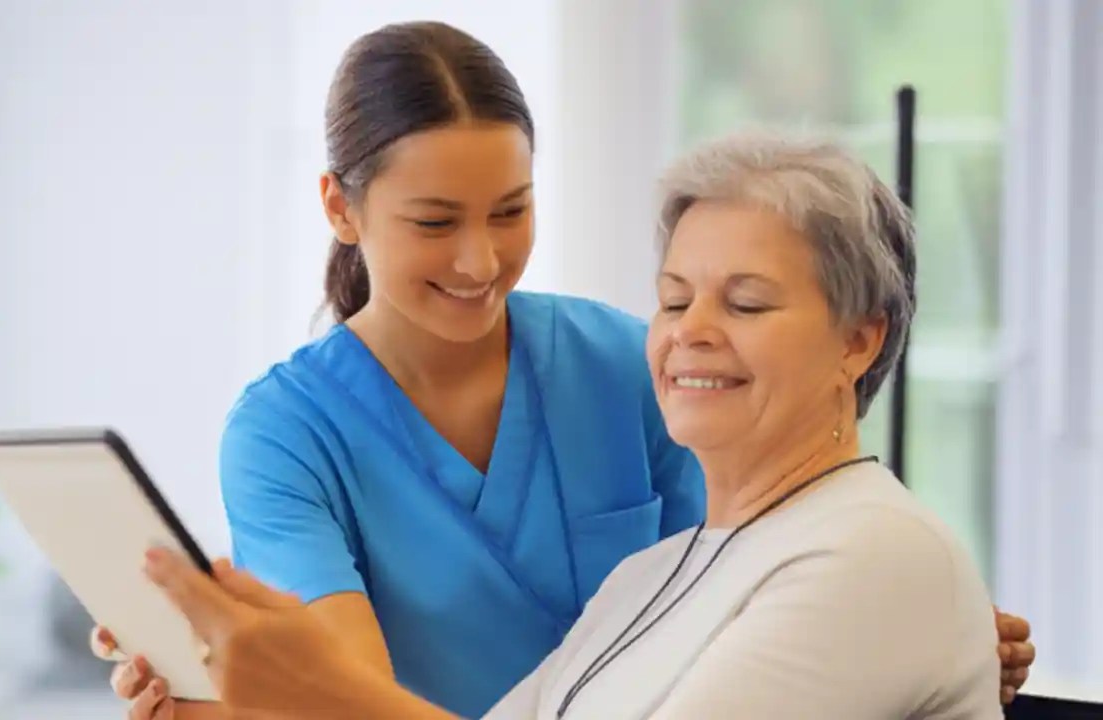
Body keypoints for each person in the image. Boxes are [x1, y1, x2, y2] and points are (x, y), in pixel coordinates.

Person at [94, 21, 1035, 720]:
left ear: (859, 339)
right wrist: (237, 697)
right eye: (673, 299)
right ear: (342, 207)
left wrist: (893, 624)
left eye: (745, 303)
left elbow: (820, 578)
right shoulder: (652, 582)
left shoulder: (860, 550)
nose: (479, 263)